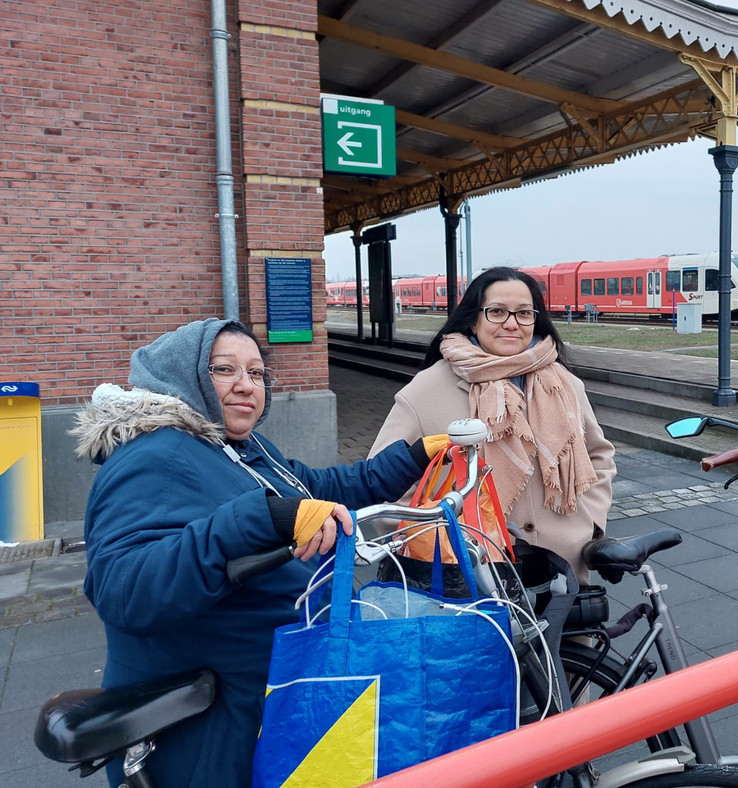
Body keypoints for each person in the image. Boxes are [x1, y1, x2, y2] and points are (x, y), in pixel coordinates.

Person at [75, 318, 445, 788]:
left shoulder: (237, 447)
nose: (245, 385)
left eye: (256, 373)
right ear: (181, 375)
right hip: (212, 723)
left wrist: (411, 458)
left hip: (272, 687)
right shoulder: (156, 454)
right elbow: (125, 590)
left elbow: (319, 487)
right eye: (224, 370)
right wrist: (263, 518)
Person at [370, 266, 614, 581]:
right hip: (470, 578)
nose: (512, 323)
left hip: (564, 570)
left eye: (524, 313)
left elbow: (599, 455)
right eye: (497, 312)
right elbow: (382, 480)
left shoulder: (563, 382)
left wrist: (590, 522)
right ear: (474, 318)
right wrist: (437, 545)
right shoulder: (425, 389)